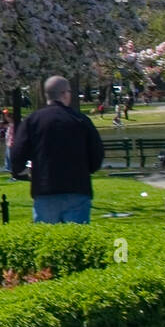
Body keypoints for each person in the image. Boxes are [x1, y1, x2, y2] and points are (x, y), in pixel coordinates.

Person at [9, 75, 103, 224]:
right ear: (65, 94)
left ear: (45, 95)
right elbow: (97, 154)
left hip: (45, 187)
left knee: (47, 241)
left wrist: (22, 171)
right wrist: (86, 170)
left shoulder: (32, 120)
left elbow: (17, 154)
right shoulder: (80, 120)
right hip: (77, 187)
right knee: (76, 241)